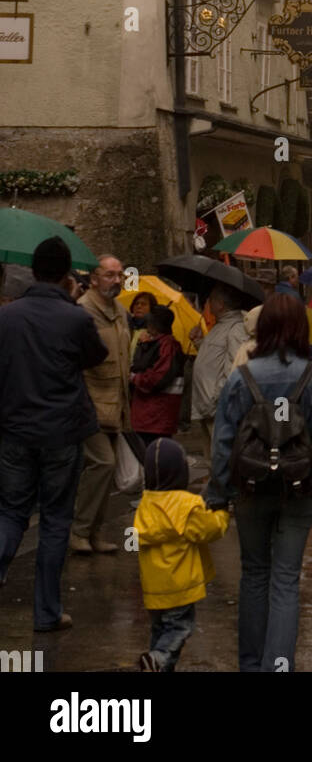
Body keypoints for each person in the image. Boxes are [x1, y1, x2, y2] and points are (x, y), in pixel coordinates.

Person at [206, 293, 312, 672]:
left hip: (250, 489)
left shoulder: (241, 377)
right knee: (285, 579)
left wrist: (218, 494)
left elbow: (222, 443)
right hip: (299, 489)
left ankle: (250, 665)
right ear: (302, 329)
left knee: (253, 575)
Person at [0, 237, 108, 631]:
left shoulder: (7, 318)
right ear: (66, 275)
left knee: (11, 513)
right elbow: (97, 357)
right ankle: (46, 612)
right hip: (62, 433)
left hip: (14, 431)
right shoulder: (76, 318)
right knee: (56, 519)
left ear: (33, 270)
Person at [135, 437, 229, 672]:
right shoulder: (186, 506)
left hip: (153, 588)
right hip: (180, 587)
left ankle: (156, 664)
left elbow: (134, 538)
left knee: (160, 630)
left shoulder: (144, 504)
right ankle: (158, 659)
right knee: (178, 628)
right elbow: (211, 529)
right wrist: (222, 512)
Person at [70, 254, 131, 554]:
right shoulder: (83, 312)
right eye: (110, 275)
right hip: (90, 402)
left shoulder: (119, 311)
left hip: (115, 403)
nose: (117, 280)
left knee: (108, 468)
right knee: (103, 463)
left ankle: (94, 532)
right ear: (93, 279)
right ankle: (79, 531)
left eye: (119, 275)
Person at [191, 280, 248, 456]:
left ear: (221, 304)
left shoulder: (235, 328)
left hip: (216, 407)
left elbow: (234, 368)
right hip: (207, 406)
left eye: (211, 300)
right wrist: (198, 341)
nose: (208, 304)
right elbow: (214, 358)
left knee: (222, 458)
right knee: (212, 458)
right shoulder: (220, 326)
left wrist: (216, 399)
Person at [130, 306, 185, 445]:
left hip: (156, 414)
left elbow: (157, 378)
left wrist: (134, 378)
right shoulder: (156, 343)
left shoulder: (168, 345)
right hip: (149, 414)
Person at [128, 291, 158, 363]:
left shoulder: (155, 332)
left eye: (143, 304)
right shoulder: (124, 325)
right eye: (136, 303)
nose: (139, 306)